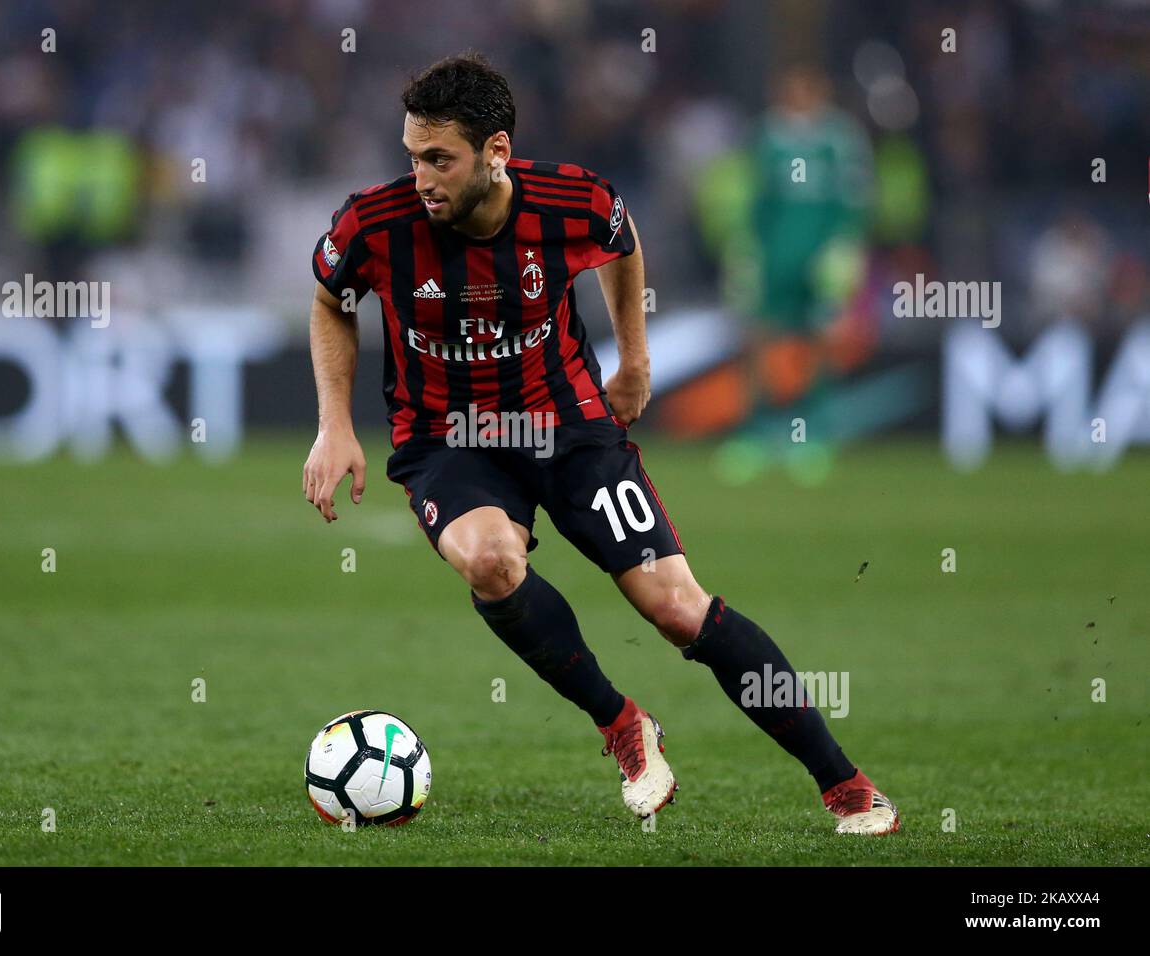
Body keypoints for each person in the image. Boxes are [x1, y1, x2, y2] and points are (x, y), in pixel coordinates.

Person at [304, 53, 898, 834]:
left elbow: (622, 245)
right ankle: (621, 723)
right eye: (413, 155)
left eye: (439, 158)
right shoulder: (374, 224)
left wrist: (635, 356)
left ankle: (845, 783)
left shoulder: (573, 202)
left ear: (496, 152)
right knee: (490, 562)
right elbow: (330, 297)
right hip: (449, 439)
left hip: (570, 425)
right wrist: (335, 423)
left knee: (679, 610)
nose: (421, 176)